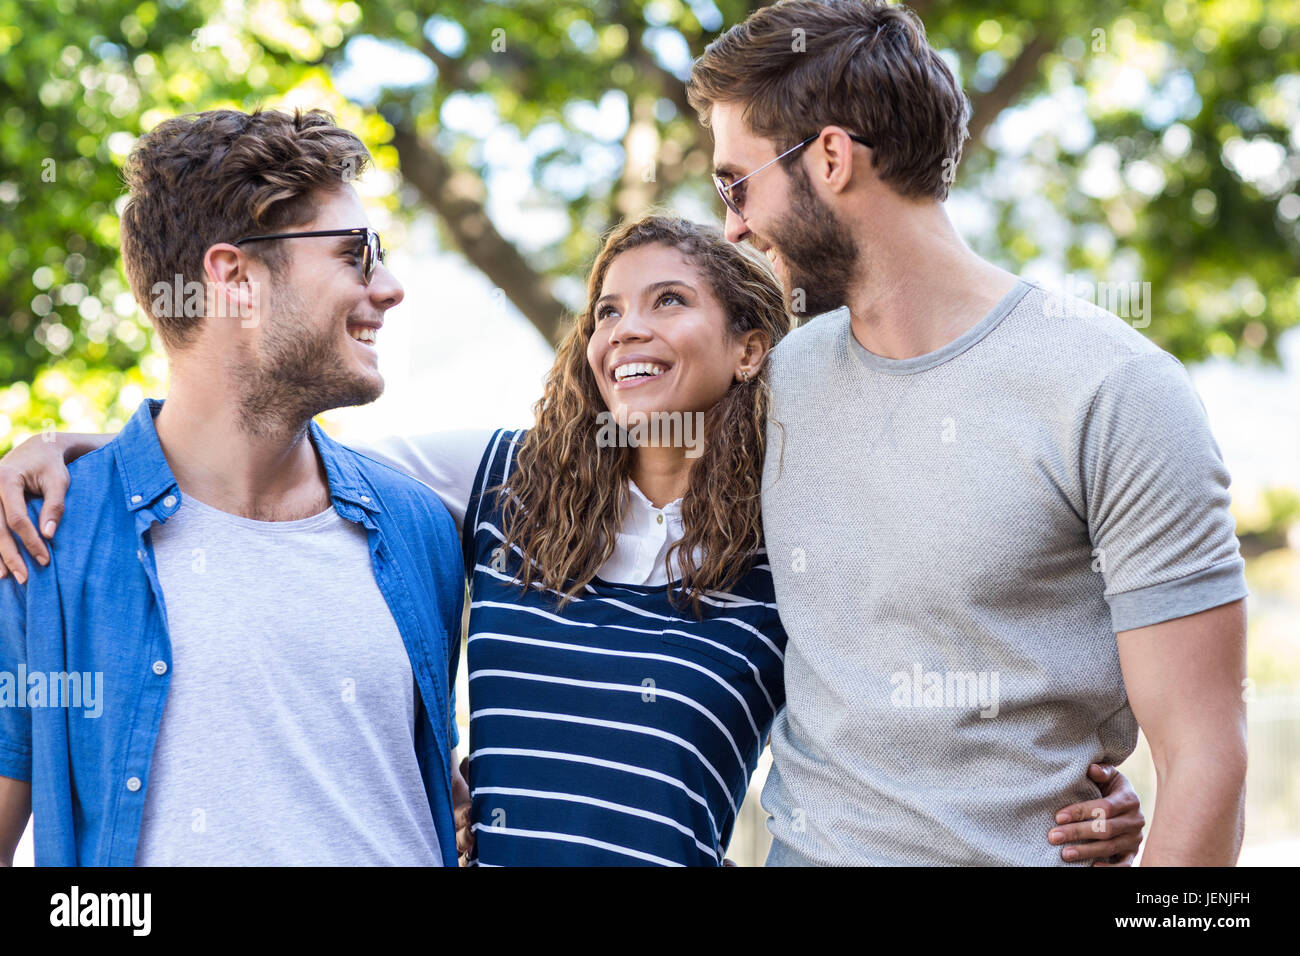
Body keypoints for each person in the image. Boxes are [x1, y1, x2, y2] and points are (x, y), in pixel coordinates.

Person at [1, 210, 1145, 865]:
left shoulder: (800, 542)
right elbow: (245, 447)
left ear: (750, 345)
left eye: (665, 303)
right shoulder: (494, 482)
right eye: (606, 308)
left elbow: (934, 687)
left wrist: (1087, 789)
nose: (624, 330)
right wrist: (79, 444)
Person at [685, 0, 1247, 865]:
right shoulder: (781, 382)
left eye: (736, 183)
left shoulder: (1113, 390)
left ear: (830, 157)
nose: (732, 226)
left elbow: (1205, 755)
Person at [0, 108, 466, 866]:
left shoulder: (418, 526)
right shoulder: (42, 540)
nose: (390, 287)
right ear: (235, 277)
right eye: (357, 254)